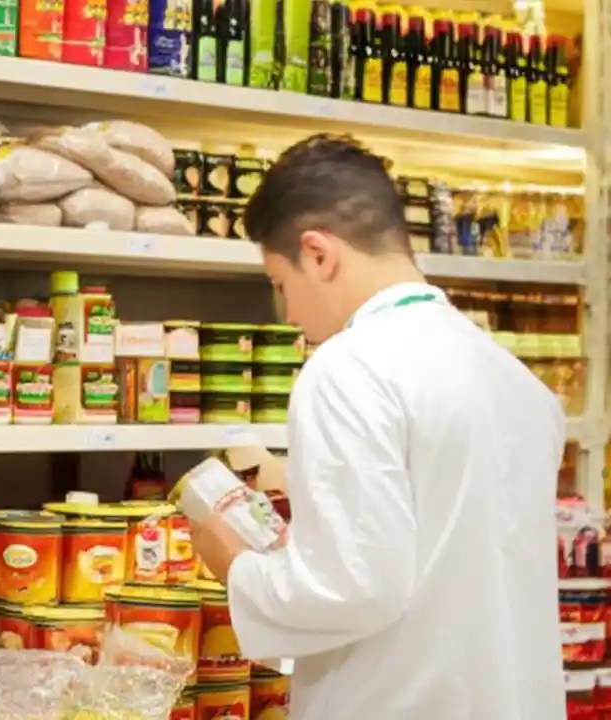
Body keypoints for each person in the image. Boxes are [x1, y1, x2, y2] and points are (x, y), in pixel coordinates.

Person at [190, 134, 565, 718]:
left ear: (318, 254)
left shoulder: (348, 367)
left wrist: (236, 565)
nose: (289, 315)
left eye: (279, 285)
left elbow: (354, 588)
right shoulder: (516, 381)